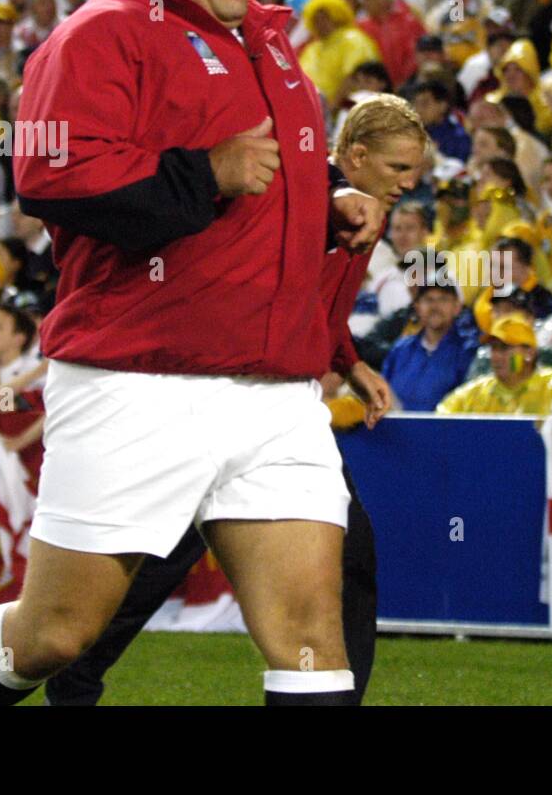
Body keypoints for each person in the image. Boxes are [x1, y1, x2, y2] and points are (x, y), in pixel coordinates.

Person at [0, 0, 384, 708]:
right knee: (53, 635)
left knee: (314, 643)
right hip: (136, 382)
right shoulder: (99, 33)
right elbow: (51, 176)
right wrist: (202, 173)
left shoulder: (270, 42)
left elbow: (262, 185)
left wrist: (326, 204)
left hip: (277, 394)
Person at [45, 93, 427, 707]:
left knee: (352, 554)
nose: (410, 184)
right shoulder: (304, 203)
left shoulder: (365, 216)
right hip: (225, 400)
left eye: (415, 172)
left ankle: (335, 695)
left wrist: (349, 362)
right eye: (399, 168)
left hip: (280, 413)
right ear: (355, 156)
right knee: (149, 565)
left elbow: (315, 308)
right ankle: (72, 666)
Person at [437, 315, 552, 414]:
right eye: (493, 348)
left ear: (529, 353)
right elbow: (439, 421)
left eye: (504, 348)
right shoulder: (473, 395)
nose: (496, 356)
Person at [382, 279, 479, 410]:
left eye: (443, 300)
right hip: (396, 427)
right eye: (428, 300)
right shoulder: (400, 349)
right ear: (417, 307)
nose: (435, 307)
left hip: (446, 428)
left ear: (457, 307)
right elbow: (382, 392)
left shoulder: (468, 351)